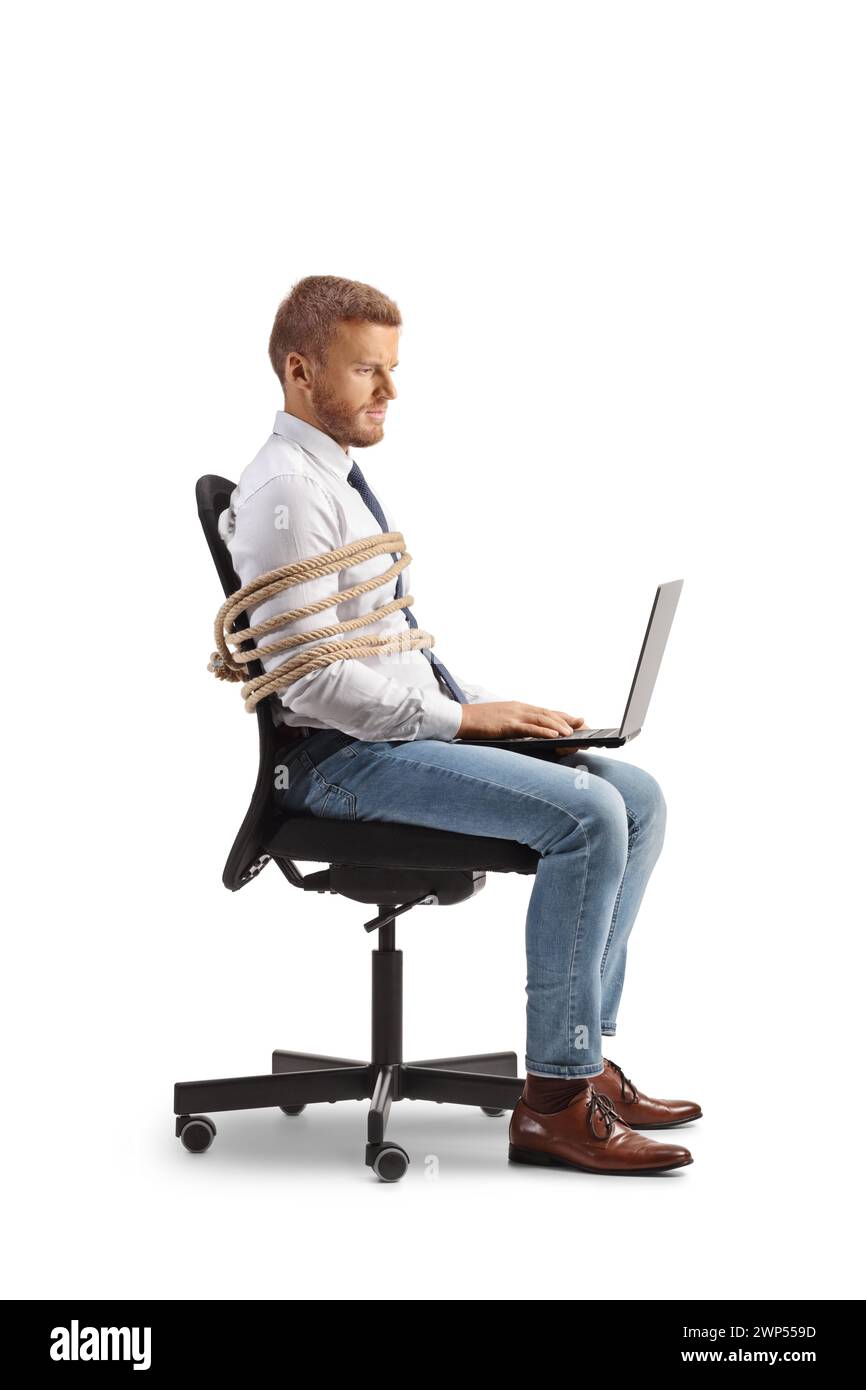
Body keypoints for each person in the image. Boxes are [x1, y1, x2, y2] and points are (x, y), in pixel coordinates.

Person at [218, 274, 702, 1177]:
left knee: (635, 796)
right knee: (586, 817)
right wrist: (459, 719)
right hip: (338, 763)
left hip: (388, 738)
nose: (391, 393)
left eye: (392, 370)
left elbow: (387, 649)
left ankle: (584, 1058)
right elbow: (318, 684)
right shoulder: (290, 492)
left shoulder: (336, 476)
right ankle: (556, 1101)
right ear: (299, 371)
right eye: (369, 372)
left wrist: (493, 719)